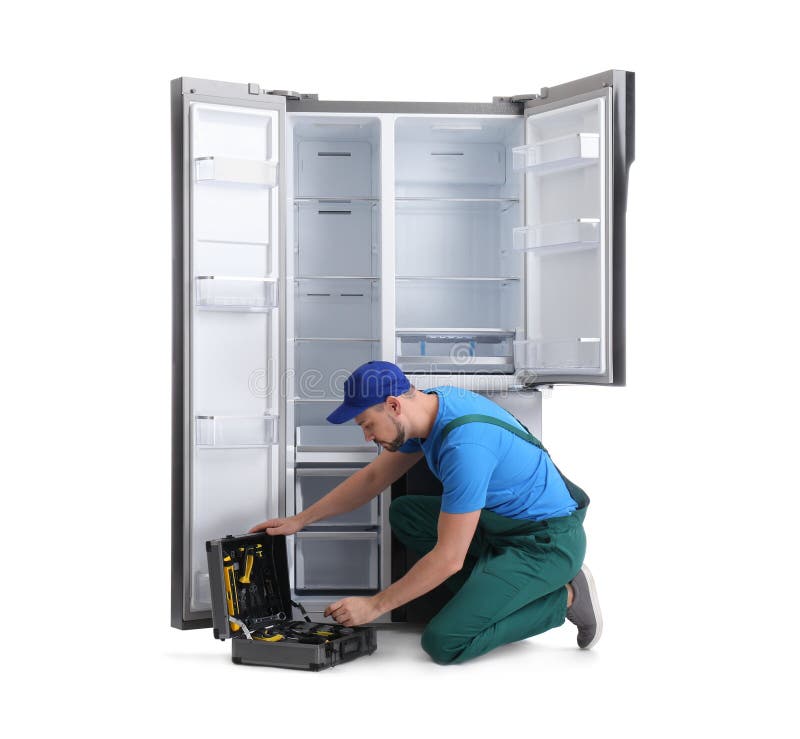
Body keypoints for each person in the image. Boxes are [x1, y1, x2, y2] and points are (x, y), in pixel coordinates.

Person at [249, 361, 602, 665]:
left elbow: (449, 559)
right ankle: (497, 590)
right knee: (406, 512)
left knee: (444, 642)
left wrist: (374, 606)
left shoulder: (465, 448)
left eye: (366, 424)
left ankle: (566, 596)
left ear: (392, 405)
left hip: (544, 543)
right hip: (501, 527)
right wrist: (300, 520)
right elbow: (373, 477)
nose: (367, 437)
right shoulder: (433, 406)